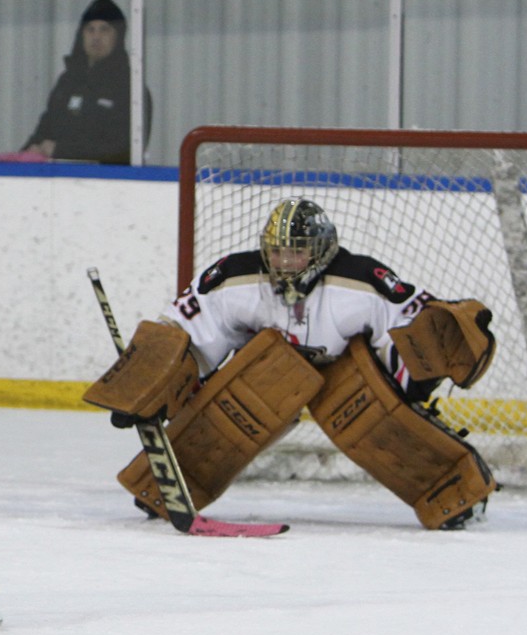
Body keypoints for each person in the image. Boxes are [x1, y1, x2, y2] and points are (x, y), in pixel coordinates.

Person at [83, 197, 499, 530]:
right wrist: (153, 380)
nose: (284, 262)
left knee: (363, 410)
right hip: (270, 369)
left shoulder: (360, 280)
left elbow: (410, 323)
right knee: (260, 387)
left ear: (321, 251)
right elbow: (187, 328)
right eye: (277, 252)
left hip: (347, 372)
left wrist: (424, 366)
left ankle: (452, 487)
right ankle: (169, 481)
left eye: (296, 253)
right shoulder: (233, 277)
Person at [19, 0, 151, 164]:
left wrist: (62, 150)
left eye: (104, 29)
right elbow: (44, 130)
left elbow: (126, 149)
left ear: (118, 37)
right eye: (90, 29)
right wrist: (27, 152)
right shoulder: (67, 82)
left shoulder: (131, 88)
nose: (96, 37)